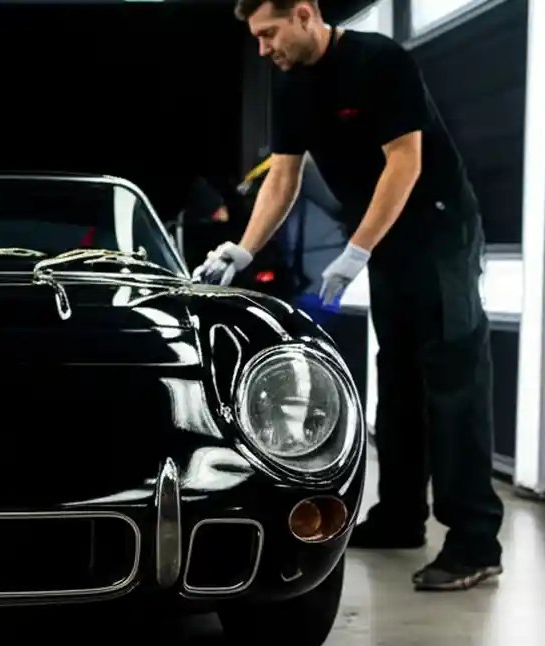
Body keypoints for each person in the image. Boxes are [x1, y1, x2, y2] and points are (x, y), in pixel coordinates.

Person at [194, 0, 504, 591]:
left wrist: (356, 250)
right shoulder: (294, 87)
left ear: (305, 14)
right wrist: (243, 249)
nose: (264, 49)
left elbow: (404, 162)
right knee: (399, 374)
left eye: (269, 33)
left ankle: (474, 541)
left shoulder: (378, 61)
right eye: (256, 40)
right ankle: (400, 516)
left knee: (452, 376)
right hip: (384, 237)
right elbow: (282, 176)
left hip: (438, 231)